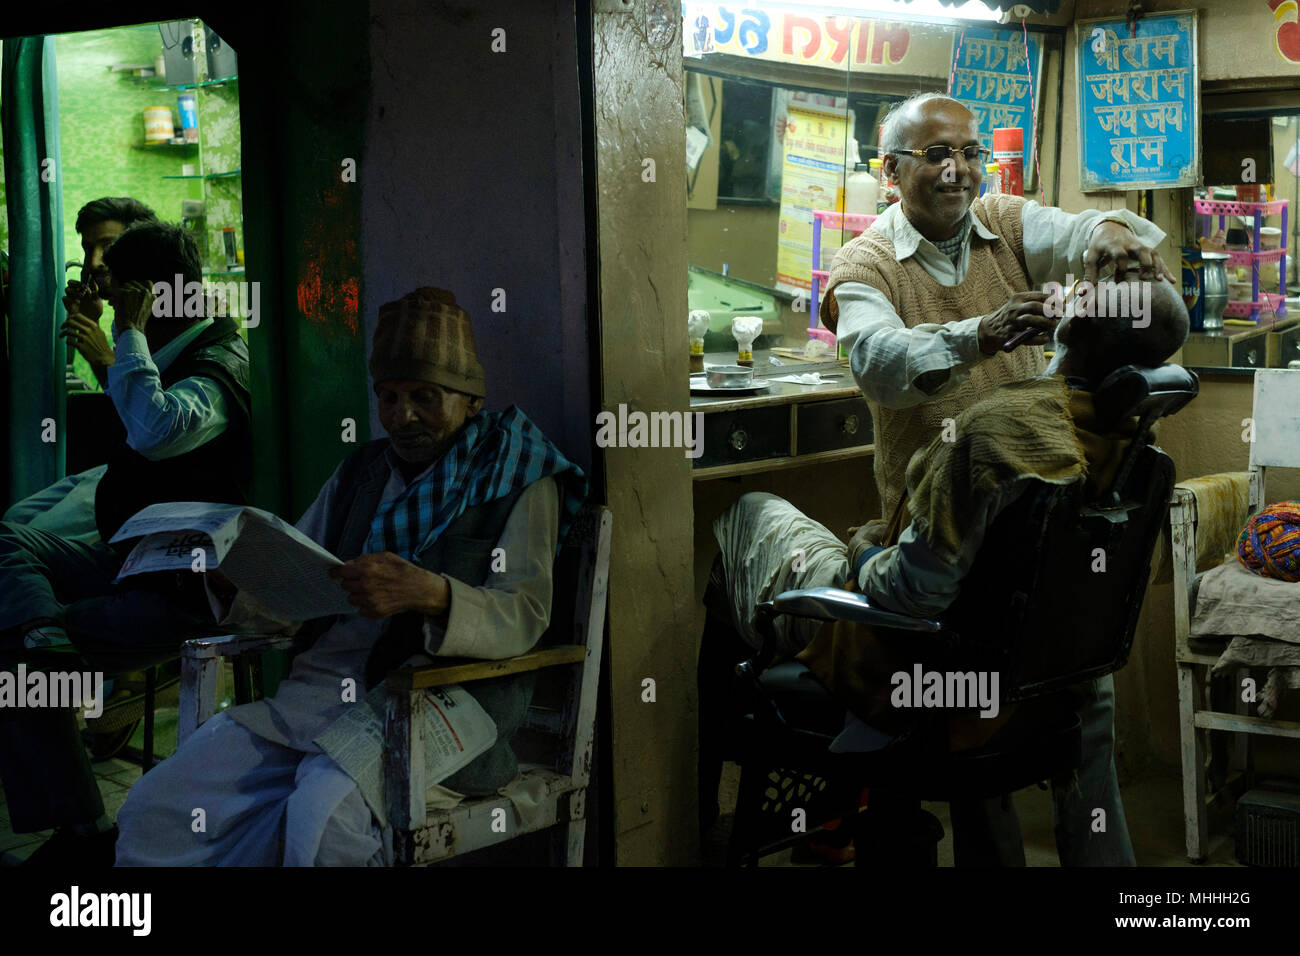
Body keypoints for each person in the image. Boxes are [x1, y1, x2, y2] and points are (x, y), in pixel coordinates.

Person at [712, 276, 1190, 867]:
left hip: (922, 673)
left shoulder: (994, 437)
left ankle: (719, 794)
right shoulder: (1135, 453)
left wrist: (862, 551)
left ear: (1070, 327)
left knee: (750, 515)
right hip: (1050, 684)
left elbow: (911, 596)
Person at [114, 286, 586, 867]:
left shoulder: (517, 476)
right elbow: (299, 580)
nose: (402, 416)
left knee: (324, 811)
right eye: (388, 397)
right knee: (158, 806)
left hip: (439, 699)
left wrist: (434, 594)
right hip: (321, 693)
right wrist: (232, 583)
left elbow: (525, 611)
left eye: (424, 397)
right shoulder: (360, 473)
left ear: (470, 401)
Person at [0, 220, 251, 866]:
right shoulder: (172, 354)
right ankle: (44, 634)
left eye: (121, 298)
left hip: (182, 587)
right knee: (9, 542)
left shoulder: (219, 365)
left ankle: (84, 835)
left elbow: (154, 429)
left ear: (152, 295)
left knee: (17, 673)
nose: (113, 309)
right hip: (132, 560)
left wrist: (129, 332)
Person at [3, 197, 160, 541]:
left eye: (108, 246)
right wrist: (91, 324)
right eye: (88, 248)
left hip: (154, 481)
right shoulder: (120, 313)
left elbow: (153, 423)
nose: (94, 262)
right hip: (124, 466)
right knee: (16, 516)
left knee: (22, 537)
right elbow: (121, 399)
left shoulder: (162, 312)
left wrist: (103, 354)